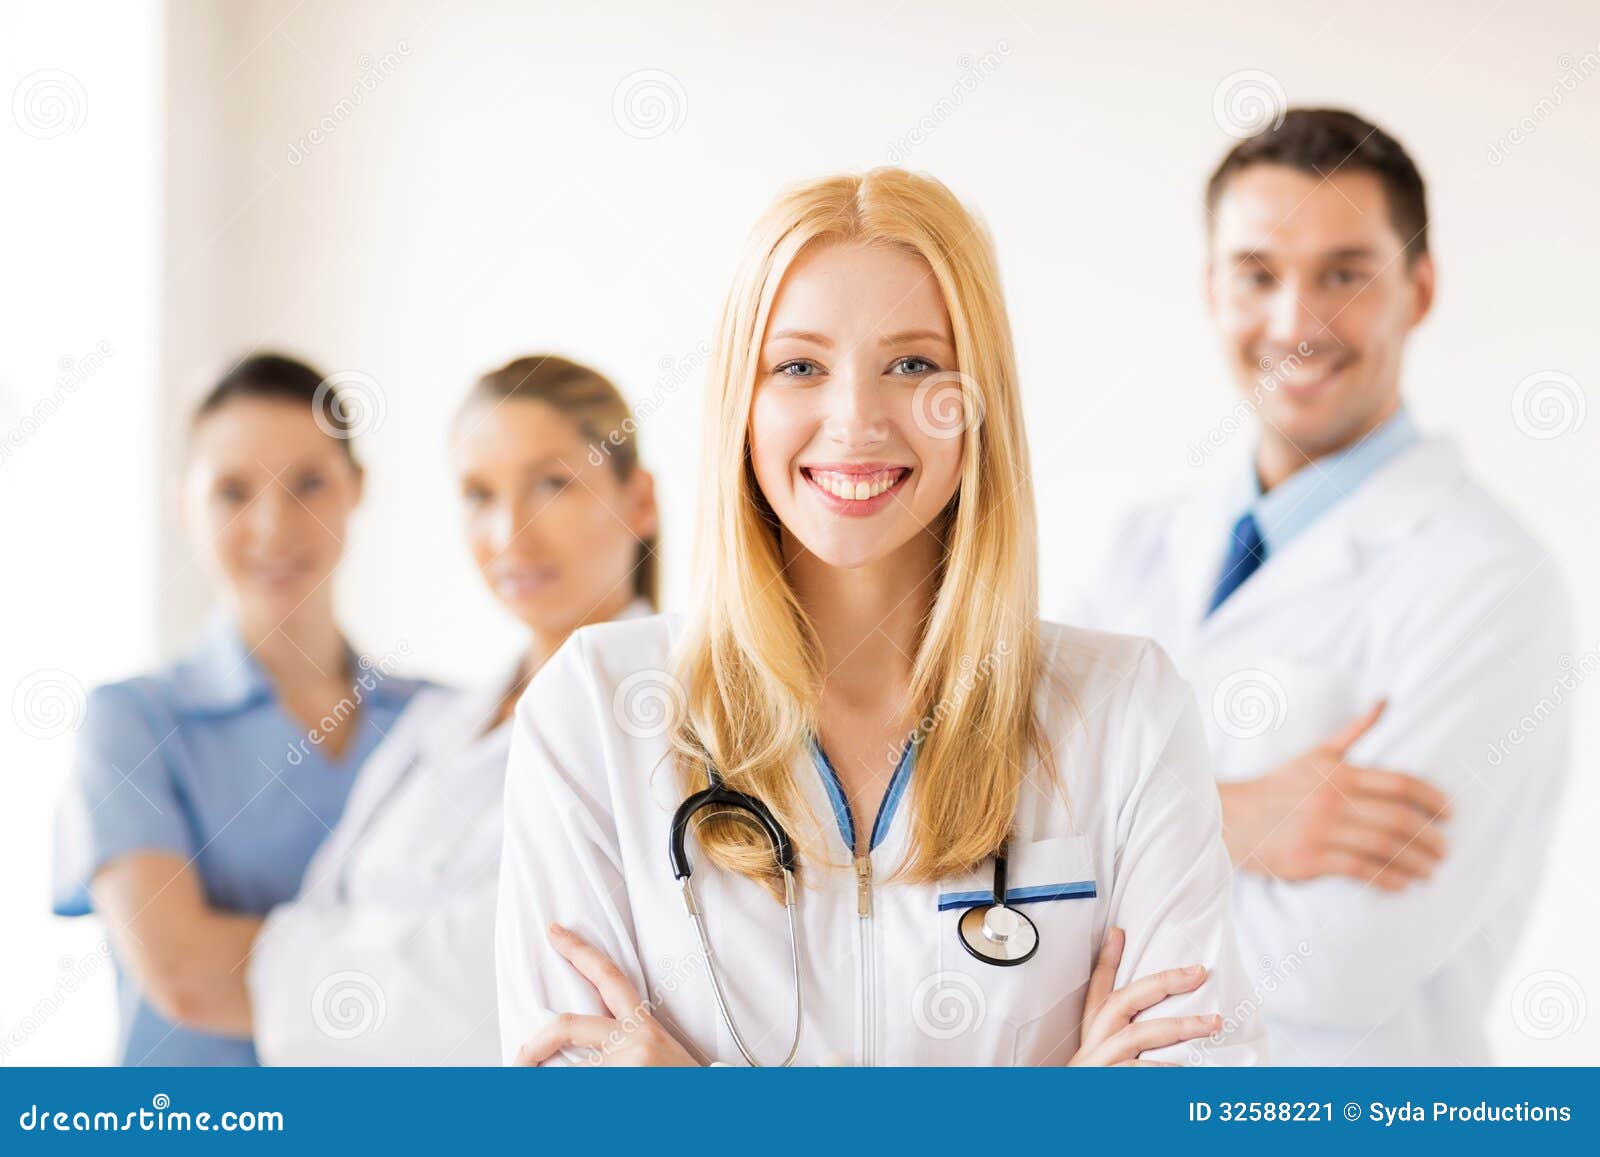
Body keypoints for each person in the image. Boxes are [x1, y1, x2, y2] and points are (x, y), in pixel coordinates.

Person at [495, 168, 1266, 1067]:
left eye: (912, 364)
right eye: (799, 366)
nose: (855, 419)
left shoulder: (1125, 707)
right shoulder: (592, 710)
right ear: (741, 404)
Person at [1068, 109, 1574, 1064]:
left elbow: (1328, 968)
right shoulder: (1138, 546)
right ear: (1212, 289)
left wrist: (1094, 861)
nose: (1297, 322)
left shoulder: (1490, 583)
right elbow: (986, 835)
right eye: (1258, 274)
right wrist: (1234, 814)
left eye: (1346, 274)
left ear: (1418, 291)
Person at [244, 355, 659, 1063]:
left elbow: (495, 998)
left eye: (552, 483)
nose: (509, 535)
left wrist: (344, 961)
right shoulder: (433, 723)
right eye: (478, 493)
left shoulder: (665, 731)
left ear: (639, 500)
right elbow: (285, 950)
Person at [52, 353, 431, 1065]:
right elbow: (185, 976)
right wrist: (429, 974)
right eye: (232, 491)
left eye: (309, 483)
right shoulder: (131, 723)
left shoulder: (441, 723)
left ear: (358, 488)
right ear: (183, 507)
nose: (272, 526)